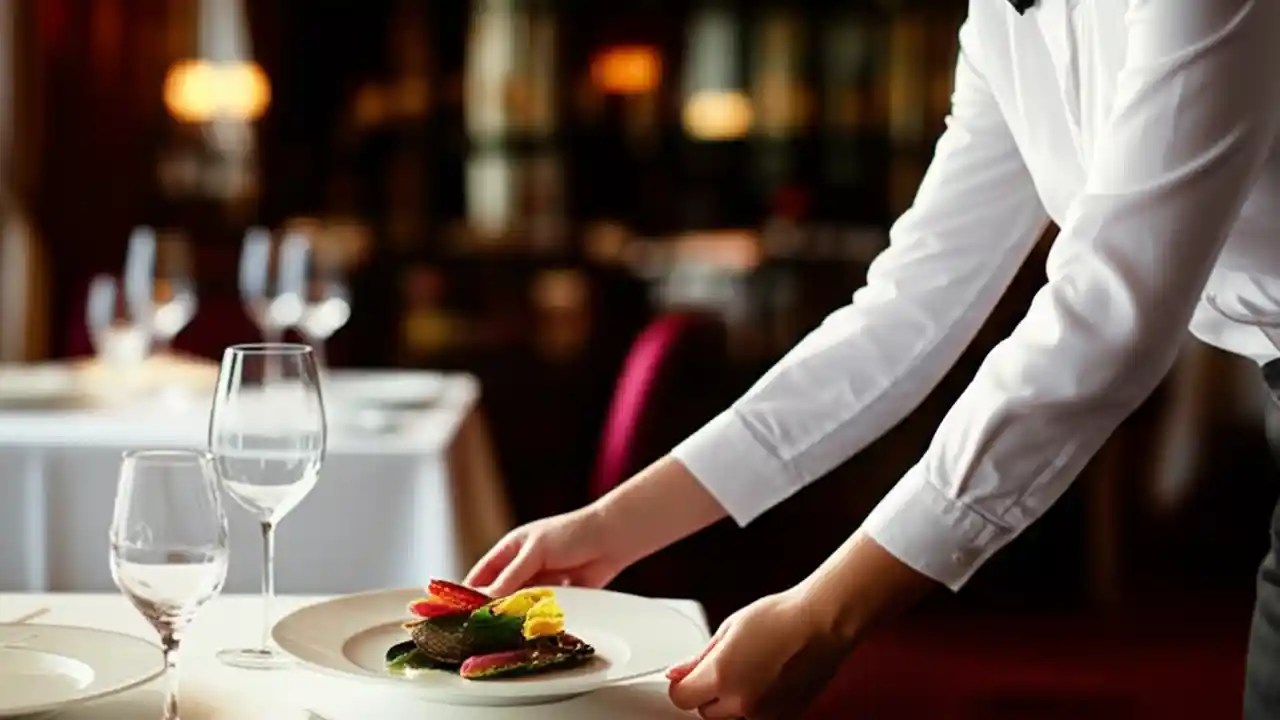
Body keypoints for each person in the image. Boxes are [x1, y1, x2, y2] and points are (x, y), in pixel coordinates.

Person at [467, 1, 1280, 717]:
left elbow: (1105, 317)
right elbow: (909, 307)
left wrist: (825, 614)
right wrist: (611, 528)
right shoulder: (999, 19)